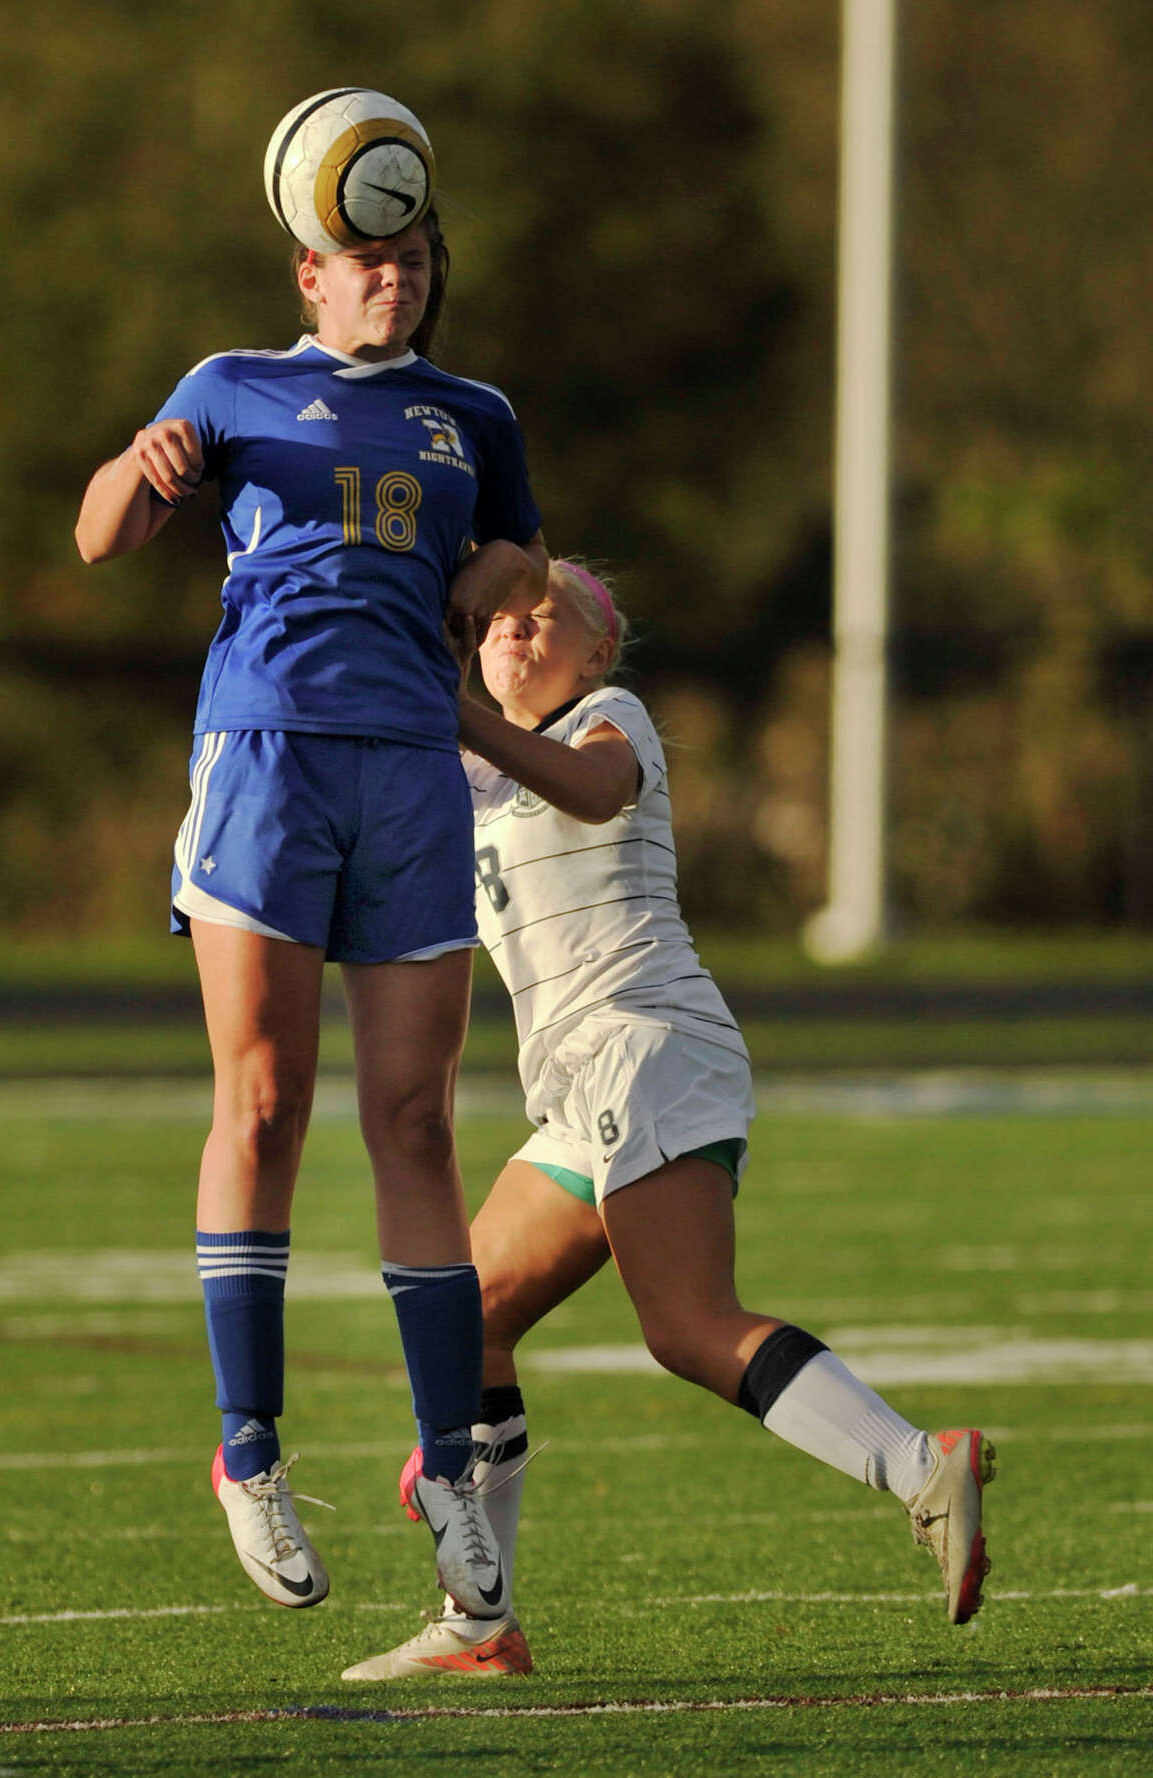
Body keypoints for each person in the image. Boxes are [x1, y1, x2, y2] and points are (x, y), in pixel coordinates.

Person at [341, 558, 996, 1679]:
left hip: (649, 1044)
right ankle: (480, 1619)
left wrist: (449, 709)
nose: (516, 625)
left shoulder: (610, 718)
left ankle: (920, 1461)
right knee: (471, 1315)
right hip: (585, 1082)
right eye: (500, 613)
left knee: (688, 1325)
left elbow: (593, 791)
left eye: (546, 615)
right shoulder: (463, 764)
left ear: (598, 650)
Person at [75, 189, 547, 1620]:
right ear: (313, 274)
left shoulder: (475, 410)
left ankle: (457, 1472)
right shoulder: (232, 384)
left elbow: (523, 551)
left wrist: (500, 574)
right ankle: (249, 1449)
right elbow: (101, 535)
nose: (392, 279)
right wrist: (139, 465)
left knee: (415, 1118)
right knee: (264, 1098)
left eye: (410, 261)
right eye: (367, 261)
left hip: (411, 761)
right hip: (268, 750)